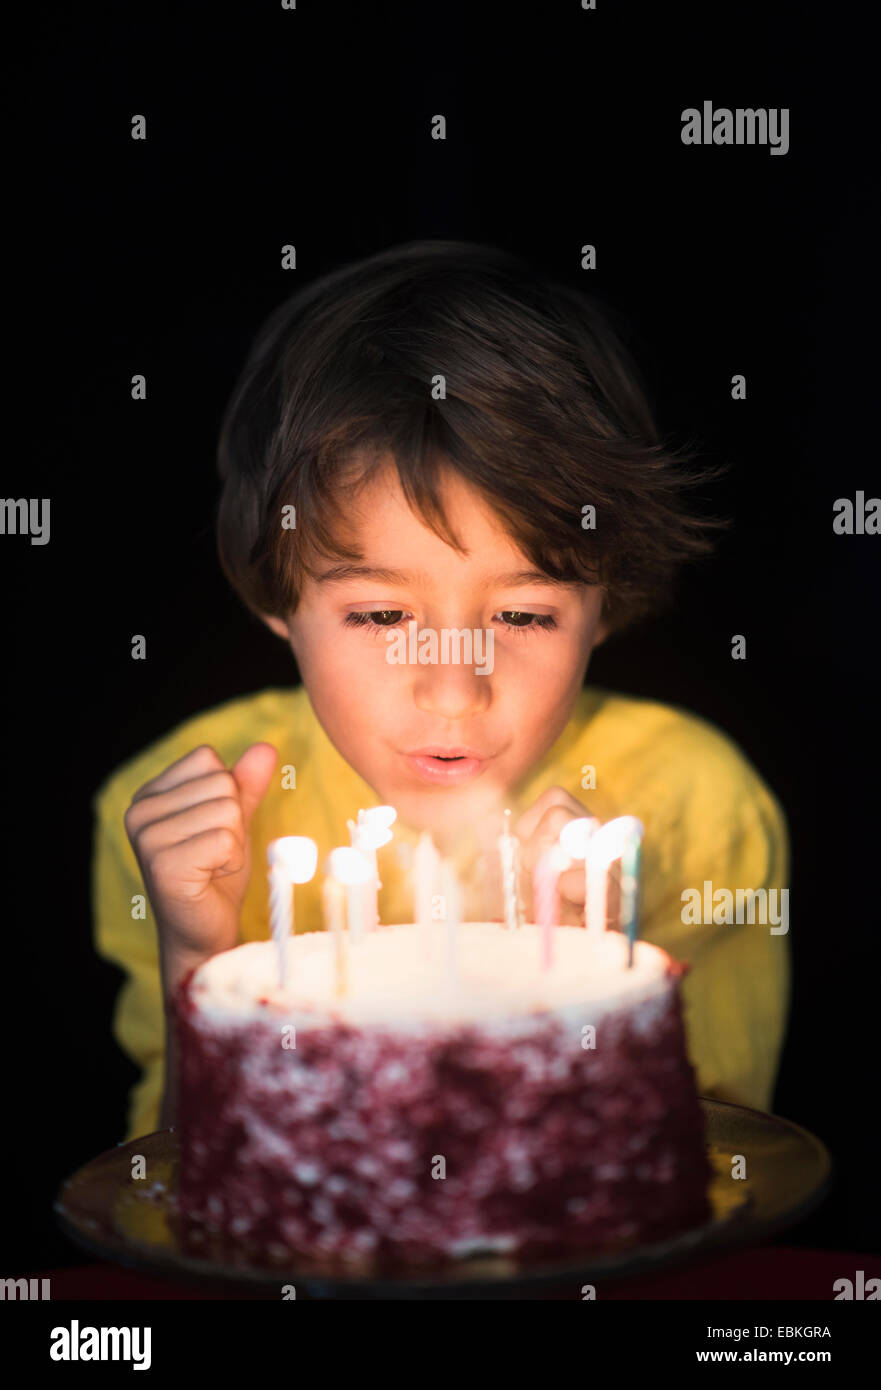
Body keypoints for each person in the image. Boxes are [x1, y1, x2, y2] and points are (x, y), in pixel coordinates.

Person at [92, 239, 790, 1142]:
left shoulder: (693, 807)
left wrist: (585, 982)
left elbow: (716, 1162)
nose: (455, 693)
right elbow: (179, 1182)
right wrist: (198, 957)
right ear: (276, 597)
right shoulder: (185, 830)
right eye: (382, 617)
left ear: (603, 608)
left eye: (525, 617)